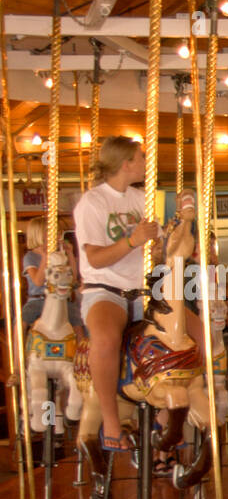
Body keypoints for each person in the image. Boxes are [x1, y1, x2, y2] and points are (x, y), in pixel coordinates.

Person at [74, 135, 159, 451]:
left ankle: (167, 418)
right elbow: (95, 257)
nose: (145, 162)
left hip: (143, 290)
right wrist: (133, 242)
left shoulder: (141, 199)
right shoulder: (93, 203)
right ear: (126, 163)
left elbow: (156, 243)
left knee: (195, 334)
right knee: (107, 339)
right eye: (141, 157)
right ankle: (110, 421)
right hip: (105, 290)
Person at [22, 217, 84, 336]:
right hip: (37, 300)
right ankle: (16, 352)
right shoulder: (30, 257)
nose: (58, 236)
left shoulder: (59, 255)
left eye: (58, 232)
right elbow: (38, 282)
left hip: (61, 300)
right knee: (21, 323)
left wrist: (70, 254)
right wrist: (45, 258)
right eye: (53, 232)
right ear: (39, 234)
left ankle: (82, 353)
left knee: (77, 323)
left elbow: (72, 279)